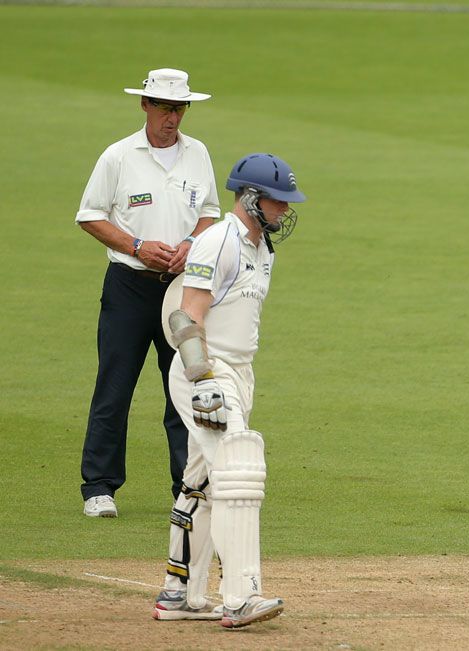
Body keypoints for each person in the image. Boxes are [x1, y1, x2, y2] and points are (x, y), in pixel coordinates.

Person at [151, 153, 306, 628]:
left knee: (200, 480)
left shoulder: (260, 247)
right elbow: (185, 314)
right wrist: (204, 384)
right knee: (238, 471)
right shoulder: (218, 241)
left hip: (239, 371)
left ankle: (180, 594)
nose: (285, 210)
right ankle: (240, 596)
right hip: (207, 371)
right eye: (278, 202)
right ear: (253, 199)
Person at [76, 69, 219, 518]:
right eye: (163, 107)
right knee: (115, 388)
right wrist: (137, 246)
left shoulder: (198, 154)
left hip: (179, 291)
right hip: (128, 287)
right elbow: (90, 215)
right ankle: (99, 487)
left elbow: (209, 212)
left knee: (183, 388)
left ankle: (187, 487)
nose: (171, 117)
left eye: (179, 108)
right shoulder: (119, 156)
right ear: (145, 106)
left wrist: (190, 246)